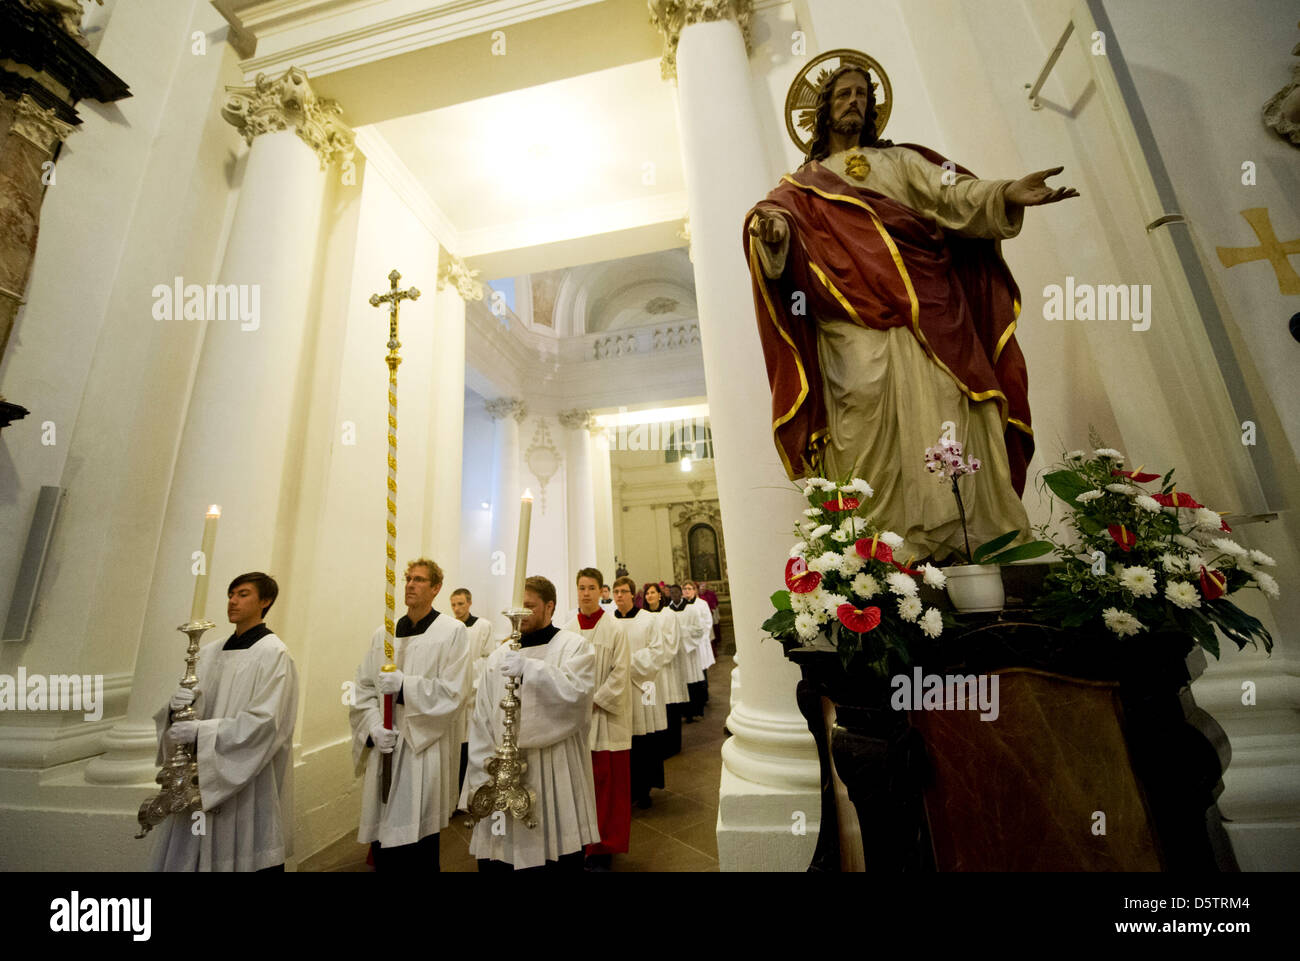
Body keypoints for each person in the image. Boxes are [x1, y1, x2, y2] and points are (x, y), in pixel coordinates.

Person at [745, 61, 1078, 561]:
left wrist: (1005, 192)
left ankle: (971, 537)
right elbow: (776, 236)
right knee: (860, 416)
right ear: (823, 109)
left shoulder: (902, 162)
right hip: (851, 323)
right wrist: (772, 235)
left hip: (931, 312)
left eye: (862, 94)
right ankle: (878, 552)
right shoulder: (799, 188)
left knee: (949, 407)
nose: (854, 101)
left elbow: (954, 194)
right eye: (843, 94)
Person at [151, 572, 298, 871]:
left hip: (245, 778)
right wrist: (174, 710)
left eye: (243, 594)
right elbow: (193, 708)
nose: (233, 601)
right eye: (231, 594)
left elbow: (266, 723)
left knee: (239, 851)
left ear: (265, 601)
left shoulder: (274, 653)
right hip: (198, 776)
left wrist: (203, 732)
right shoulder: (208, 652)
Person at [462, 575, 599, 871]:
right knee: (501, 857)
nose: (520, 614)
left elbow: (576, 697)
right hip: (501, 774)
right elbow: (483, 718)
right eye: (517, 607)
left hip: (554, 769)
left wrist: (531, 671)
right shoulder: (498, 657)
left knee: (554, 856)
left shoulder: (575, 647)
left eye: (529, 606)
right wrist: (481, 774)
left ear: (550, 607)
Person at [350, 558, 470, 872]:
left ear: (436, 588)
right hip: (386, 745)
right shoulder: (384, 634)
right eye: (407, 579)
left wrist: (406, 687)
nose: (410, 585)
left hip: (422, 748)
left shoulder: (452, 632)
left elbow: (455, 692)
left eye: (419, 580)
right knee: (383, 836)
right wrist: (374, 727)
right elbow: (362, 686)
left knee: (418, 840)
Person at [564, 568, 631, 871]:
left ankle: (603, 847)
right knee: (578, 783)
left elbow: (621, 671)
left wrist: (596, 699)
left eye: (591, 587)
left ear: (600, 590)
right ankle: (579, 843)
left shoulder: (614, 628)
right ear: (576, 591)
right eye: (581, 588)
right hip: (574, 720)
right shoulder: (566, 630)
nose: (586, 593)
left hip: (604, 719)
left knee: (606, 784)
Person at [611, 576, 670, 809]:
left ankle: (644, 789)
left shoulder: (648, 620)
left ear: (632, 595)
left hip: (645, 687)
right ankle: (625, 788)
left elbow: (657, 653)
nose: (619, 596)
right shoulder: (608, 622)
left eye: (624, 591)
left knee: (645, 737)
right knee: (624, 738)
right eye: (616, 592)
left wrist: (624, 665)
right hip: (618, 687)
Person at [449, 587, 497, 795]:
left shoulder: (483, 626)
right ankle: (457, 792)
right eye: (453, 604)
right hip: (455, 694)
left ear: (469, 603)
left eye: (461, 604)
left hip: (475, 694)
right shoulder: (450, 629)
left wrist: (471, 676)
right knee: (456, 746)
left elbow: (489, 658)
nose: (457, 608)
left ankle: (474, 790)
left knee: (473, 744)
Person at [642, 582, 688, 759]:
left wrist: (658, 658)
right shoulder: (644, 616)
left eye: (653, 593)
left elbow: (672, 641)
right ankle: (658, 745)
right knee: (653, 705)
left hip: (666, 668)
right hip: (650, 670)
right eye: (647, 593)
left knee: (670, 706)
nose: (650, 596)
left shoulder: (668, 614)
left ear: (660, 595)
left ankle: (673, 745)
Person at [667, 583, 706, 722]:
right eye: (672, 593)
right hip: (676, 652)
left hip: (689, 651)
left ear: (681, 593)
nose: (675, 595)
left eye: (677, 592)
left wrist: (683, 631)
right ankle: (683, 712)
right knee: (680, 681)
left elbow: (699, 630)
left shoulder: (691, 610)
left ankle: (694, 711)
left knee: (691, 680)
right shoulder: (667, 612)